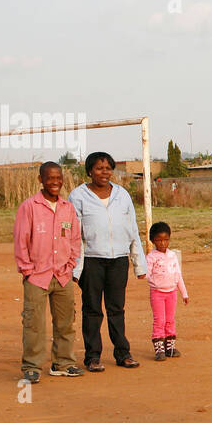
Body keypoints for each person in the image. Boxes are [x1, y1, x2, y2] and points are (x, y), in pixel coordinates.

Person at [71, 151, 148, 371]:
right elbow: (76, 236)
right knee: (92, 309)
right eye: (98, 168)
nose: (104, 172)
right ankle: (92, 356)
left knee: (117, 309)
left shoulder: (122, 195)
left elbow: (132, 229)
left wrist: (138, 264)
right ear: (89, 171)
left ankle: (123, 353)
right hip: (92, 262)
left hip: (118, 261)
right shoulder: (78, 196)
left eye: (107, 168)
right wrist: (76, 269)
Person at [12, 162, 81, 381]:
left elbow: (75, 239)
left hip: (62, 276)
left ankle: (63, 362)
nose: (55, 182)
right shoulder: (29, 206)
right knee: (34, 324)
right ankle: (32, 366)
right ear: (40, 179)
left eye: (58, 178)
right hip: (37, 277)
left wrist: (70, 265)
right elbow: (21, 239)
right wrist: (27, 271)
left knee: (65, 322)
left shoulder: (67, 208)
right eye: (50, 178)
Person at [145, 221, 189, 361]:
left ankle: (170, 347)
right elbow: (146, 274)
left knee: (170, 319)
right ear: (153, 241)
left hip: (172, 293)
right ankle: (159, 349)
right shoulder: (151, 257)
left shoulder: (172, 256)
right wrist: (155, 282)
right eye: (159, 240)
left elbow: (178, 275)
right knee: (160, 320)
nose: (163, 243)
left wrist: (184, 293)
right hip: (157, 293)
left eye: (165, 240)